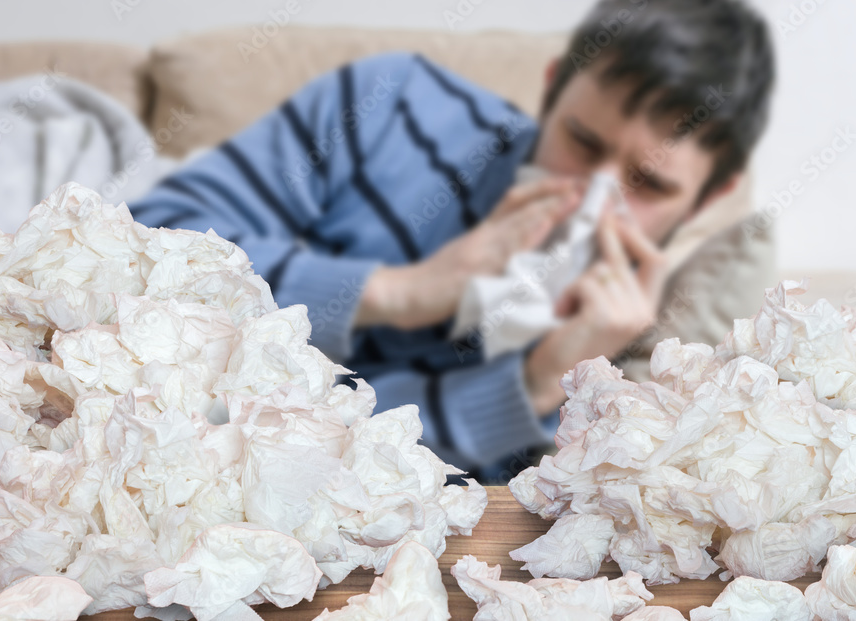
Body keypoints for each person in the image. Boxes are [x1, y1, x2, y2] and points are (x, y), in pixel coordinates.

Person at [128, 0, 776, 480]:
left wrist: (535, 386)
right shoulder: (387, 108)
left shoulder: (630, 347)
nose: (592, 198)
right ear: (552, 87)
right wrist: (396, 293)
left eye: (649, 184)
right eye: (580, 141)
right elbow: (139, 249)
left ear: (709, 196)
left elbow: (406, 491)